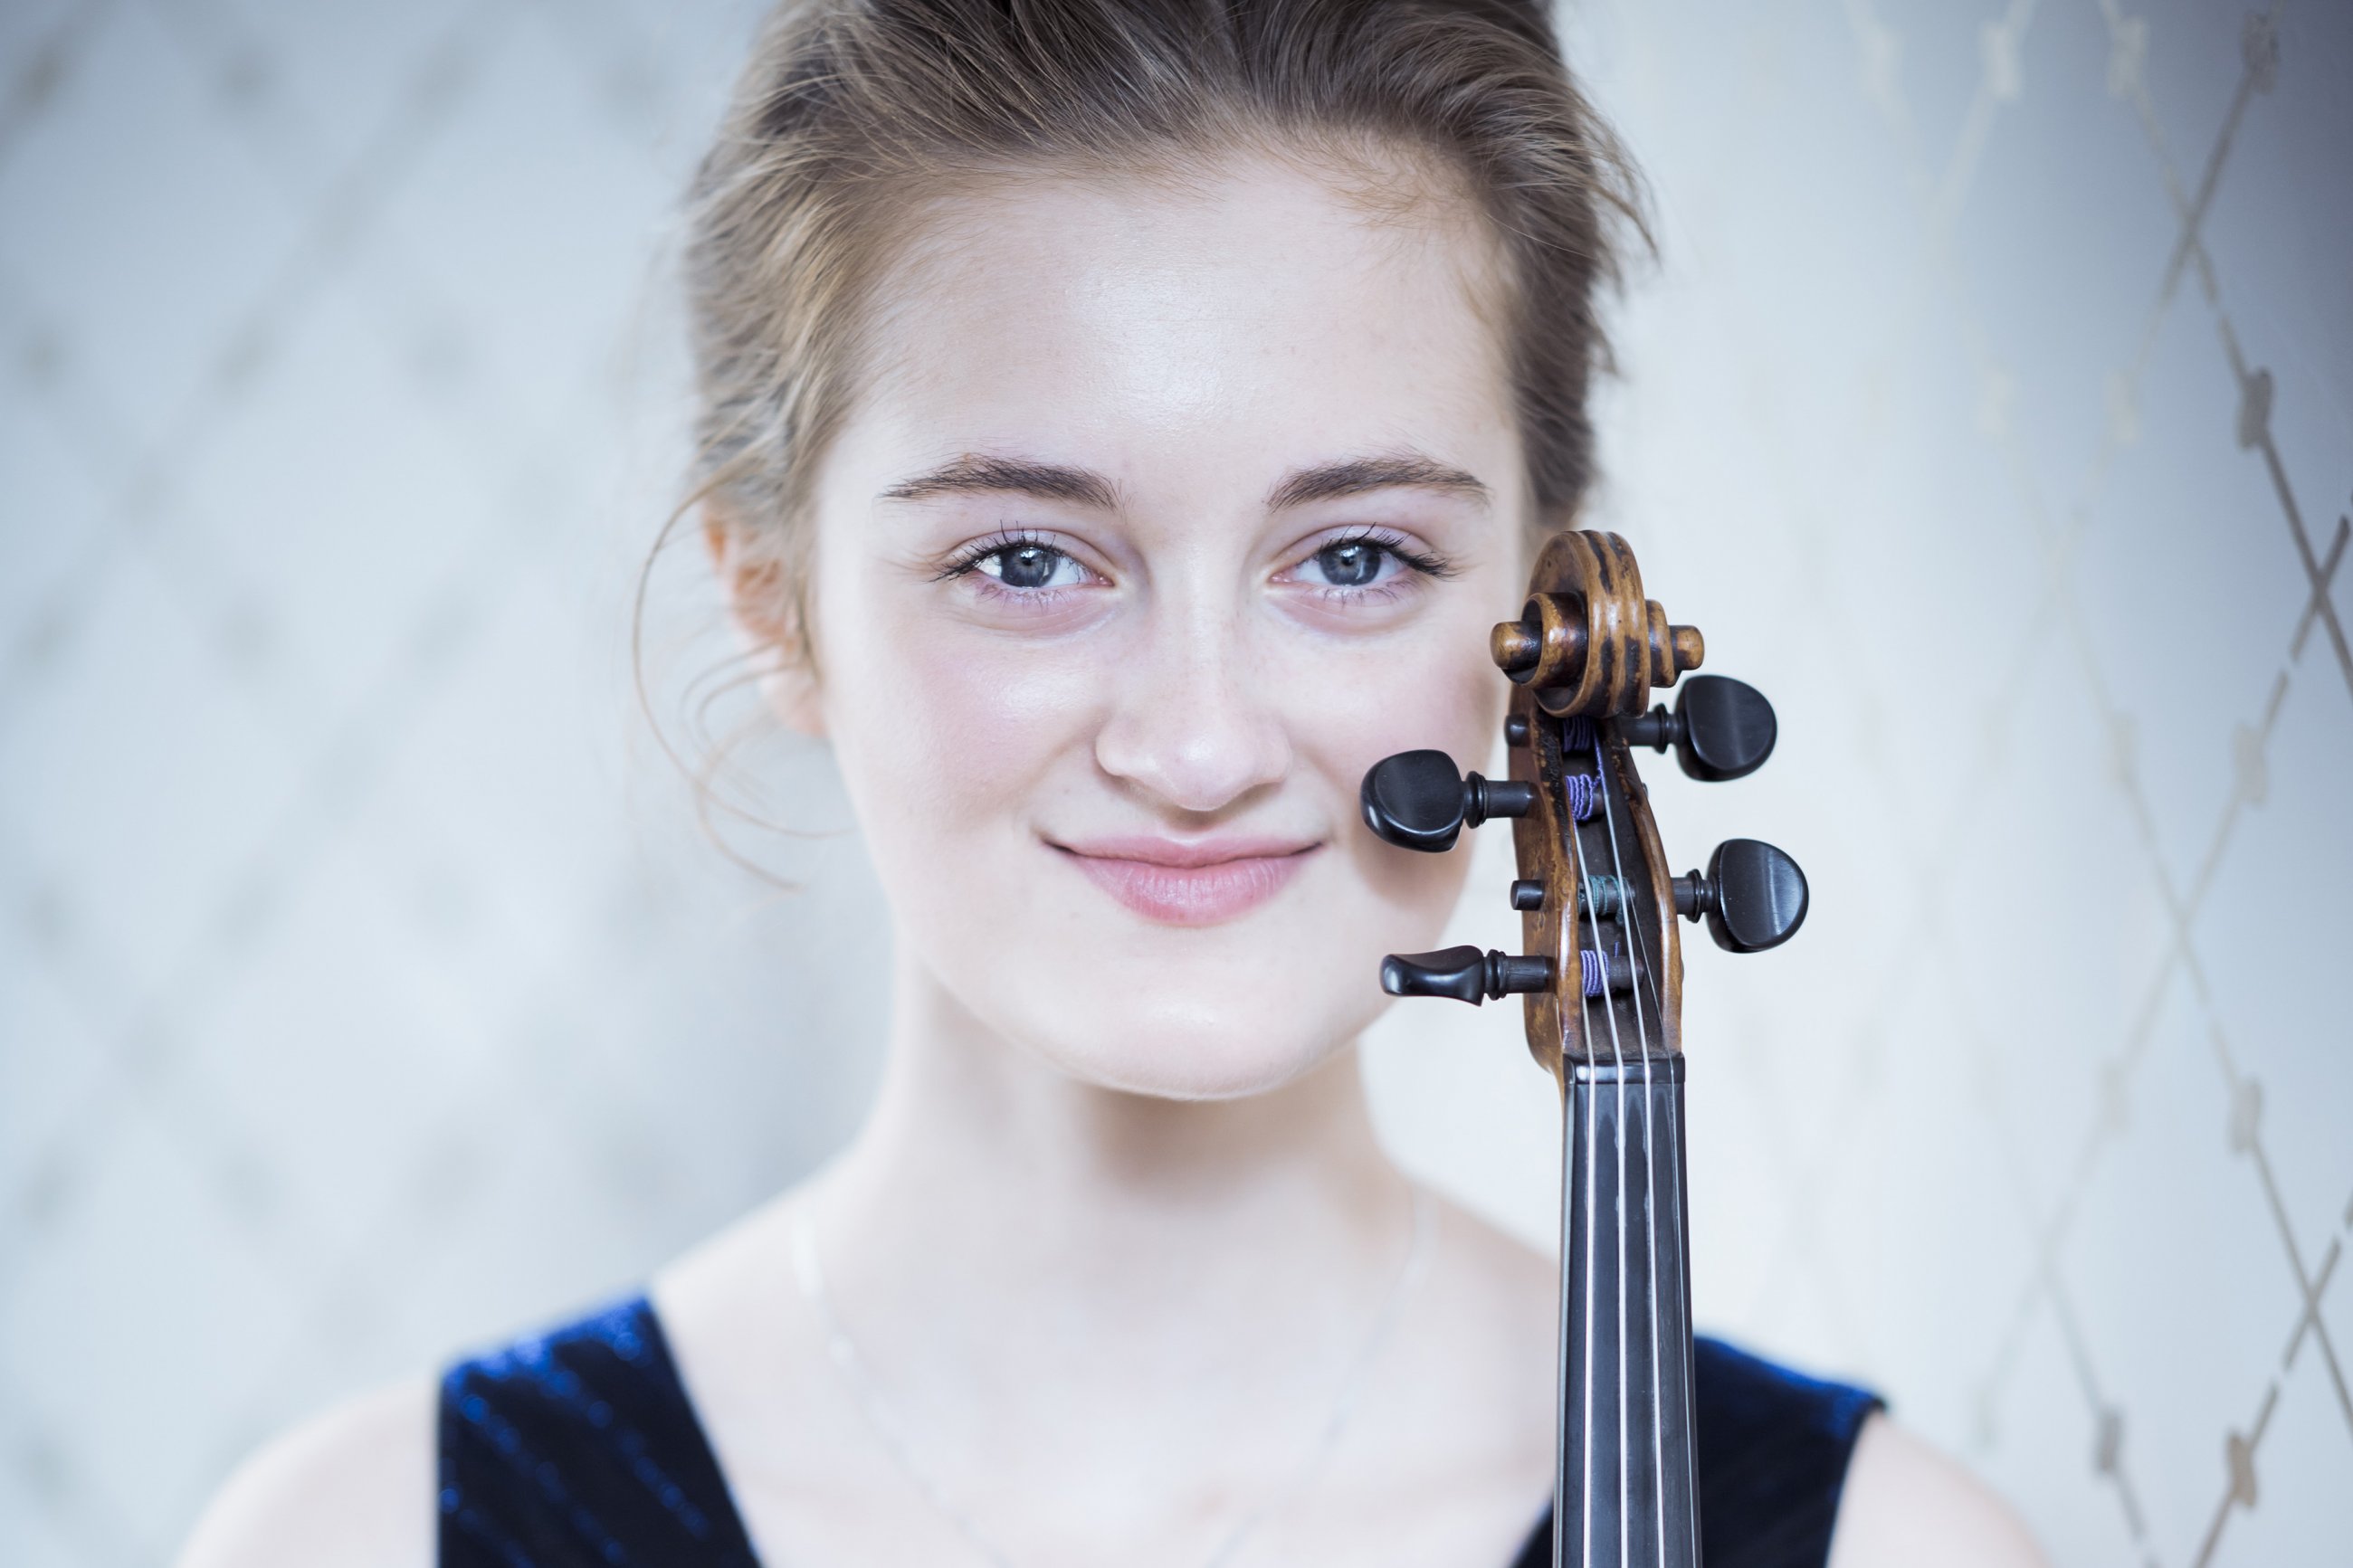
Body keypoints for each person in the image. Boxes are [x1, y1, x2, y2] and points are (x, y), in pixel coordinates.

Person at [183, 2, 2045, 1564]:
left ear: (1543, 601)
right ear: (776, 604)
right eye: (1025, 562)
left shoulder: (1889, 1550)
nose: (1201, 746)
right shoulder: (361, 1540)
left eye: (1354, 560)